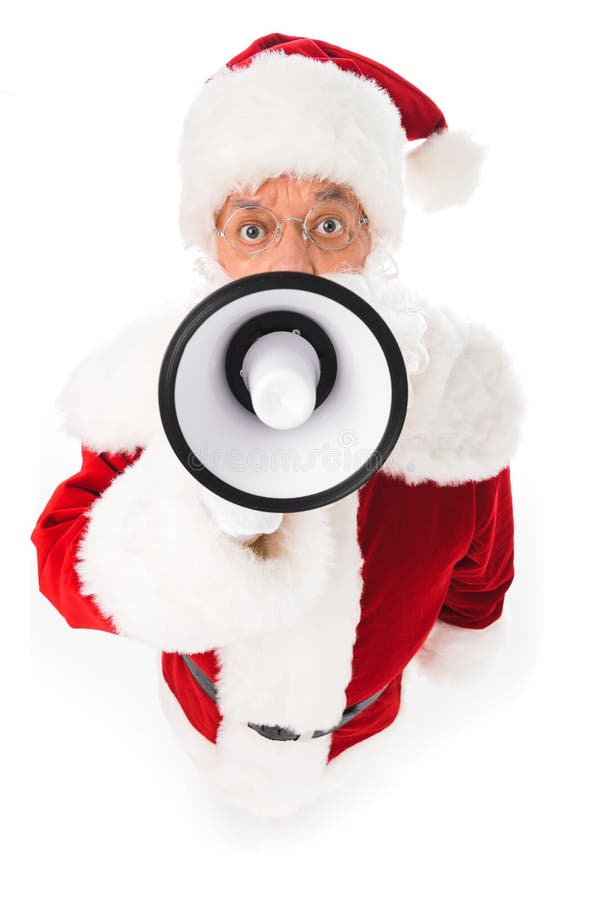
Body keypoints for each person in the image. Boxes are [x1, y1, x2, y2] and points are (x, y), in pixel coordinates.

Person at [30, 34, 524, 818]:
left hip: (362, 738)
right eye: (254, 228)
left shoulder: (453, 401)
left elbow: (481, 569)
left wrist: (461, 630)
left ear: (375, 239)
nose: (291, 265)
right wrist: (192, 524)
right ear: (214, 246)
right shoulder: (153, 380)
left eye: (329, 225)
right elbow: (62, 561)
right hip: (202, 718)